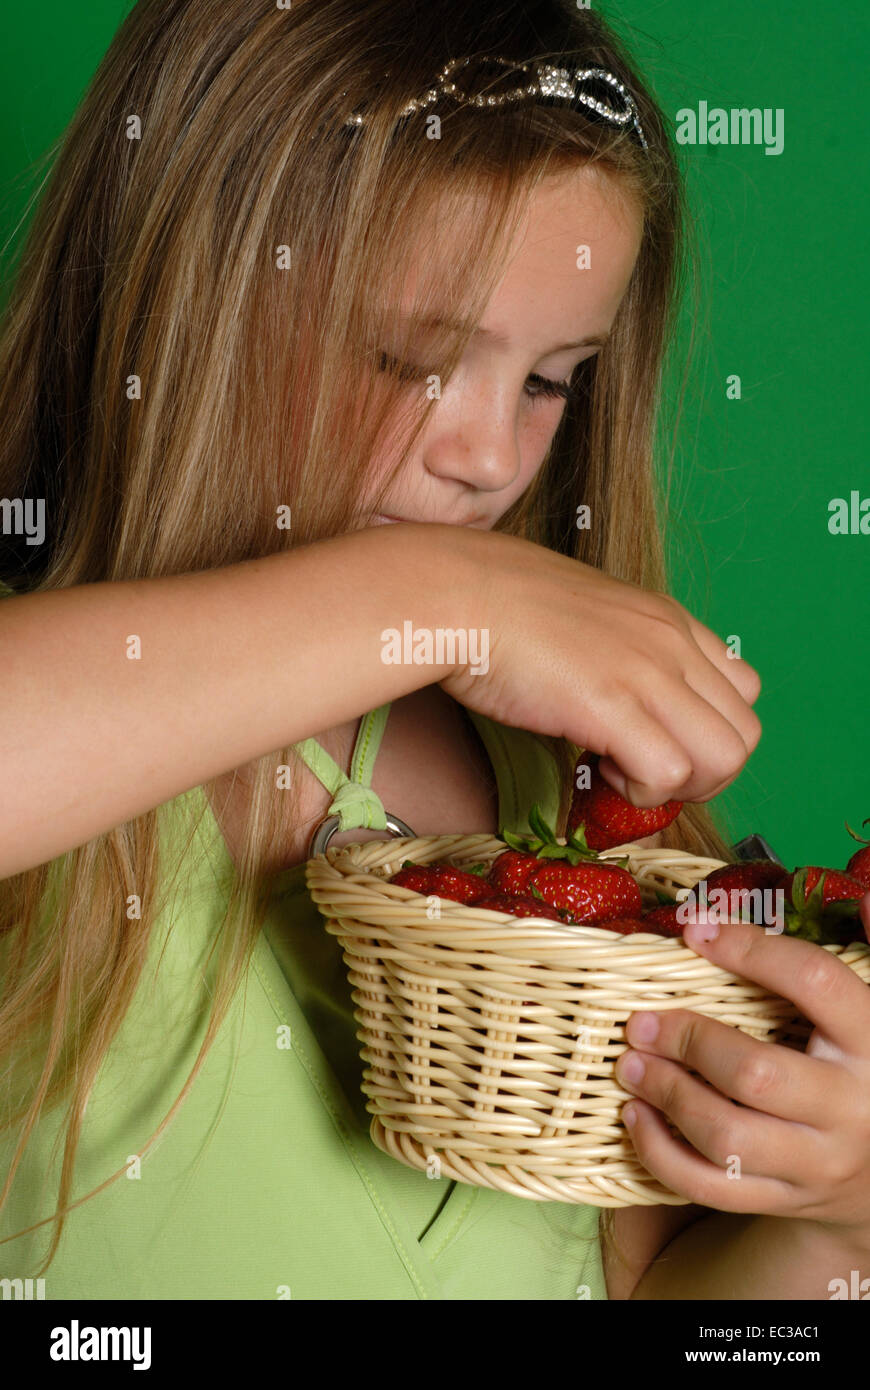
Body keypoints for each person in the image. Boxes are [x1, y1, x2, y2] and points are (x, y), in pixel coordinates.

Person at [1, 0, 867, 1301]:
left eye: (548, 380)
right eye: (411, 358)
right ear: (197, 292)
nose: (489, 455)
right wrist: (435, 590)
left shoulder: (542, 781)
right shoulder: (70, 700)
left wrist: (826, 1220)